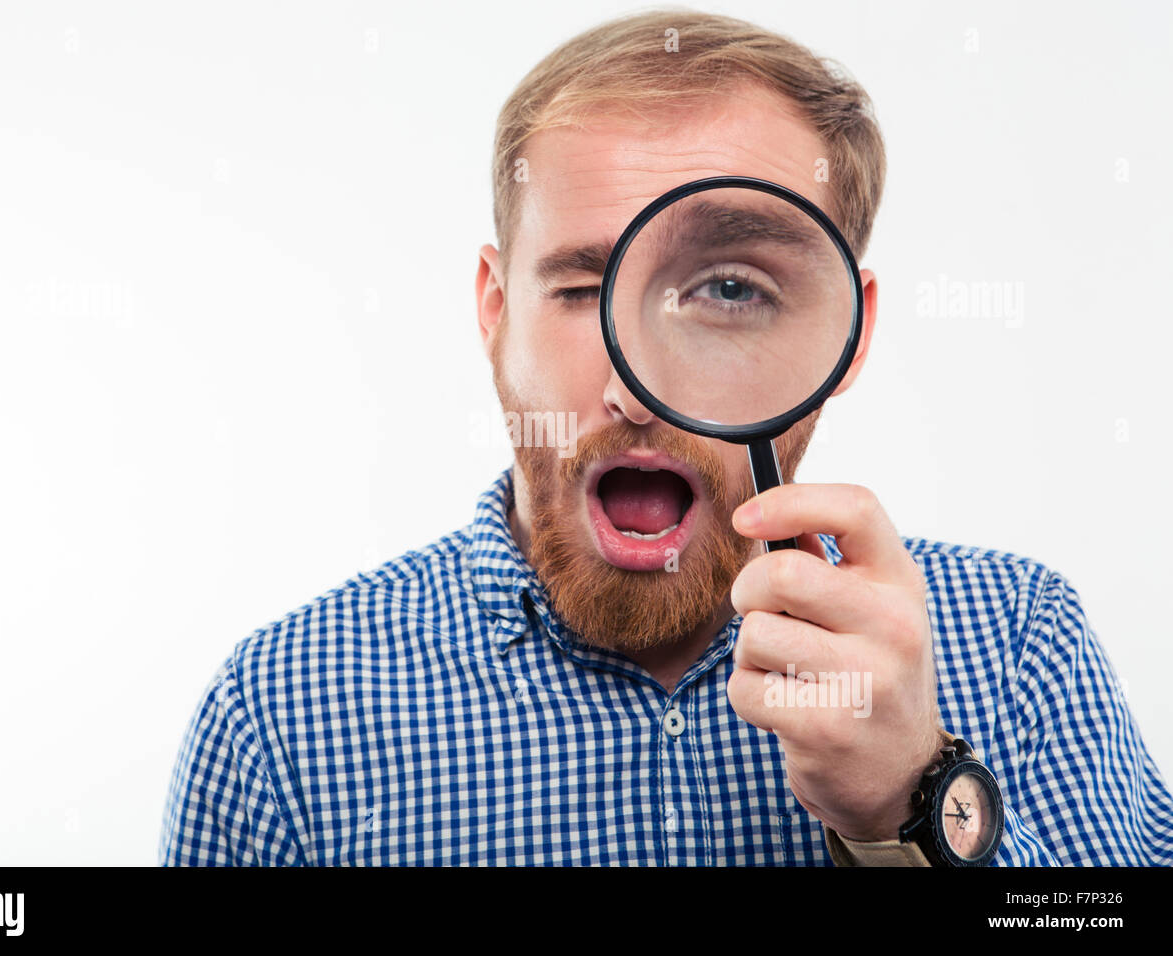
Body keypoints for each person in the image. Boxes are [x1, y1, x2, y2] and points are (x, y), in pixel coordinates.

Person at [159, 9, 1173, 866]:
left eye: (728, 289)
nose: (634, 388)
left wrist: (912, 800)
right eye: (583, 285)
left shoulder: (1015, 640)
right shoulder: (283, 714)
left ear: (846, 332)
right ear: (493, 311)